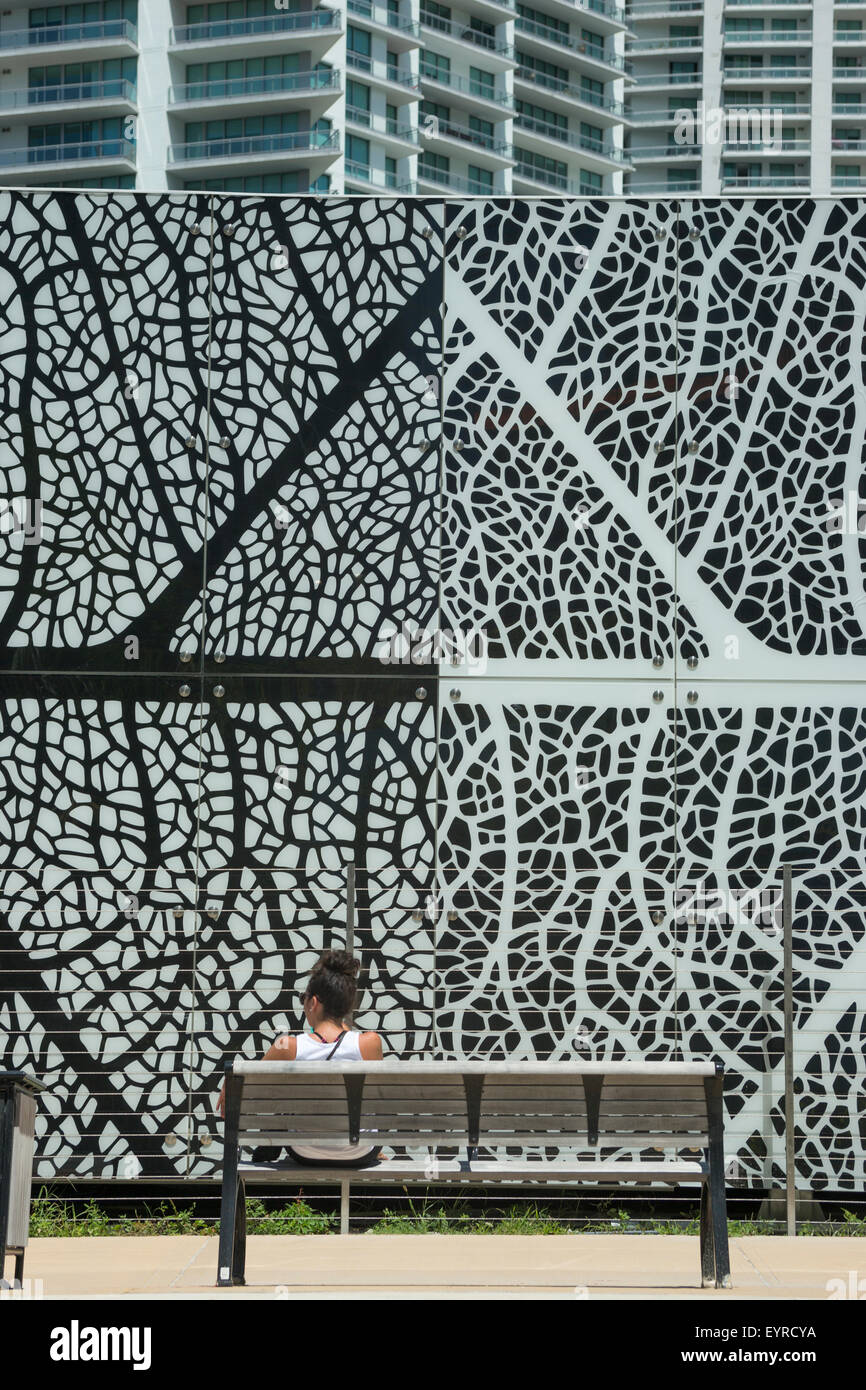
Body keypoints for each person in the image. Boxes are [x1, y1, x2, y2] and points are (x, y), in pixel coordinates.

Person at [217, 950, 384, 1166]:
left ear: (313, 1003)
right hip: (359, 1151)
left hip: (305, 1150)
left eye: (303, 999)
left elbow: (243, 1089)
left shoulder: (287, 1047)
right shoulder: (370, 1043)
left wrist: (231, 1080)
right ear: (346, 1006)